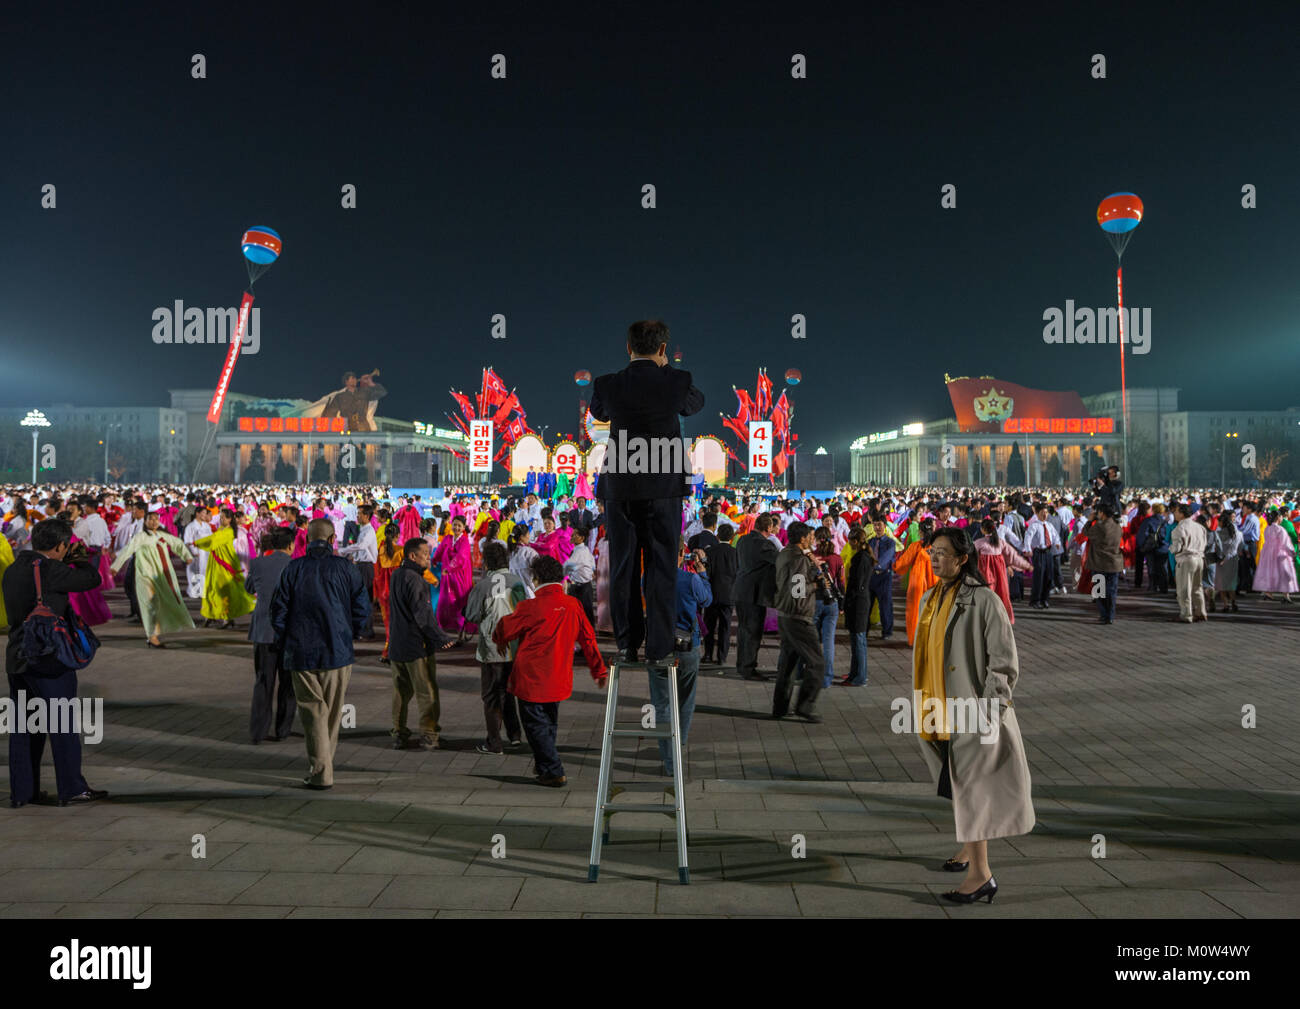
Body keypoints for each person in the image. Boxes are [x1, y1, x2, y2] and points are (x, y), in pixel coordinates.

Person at [913, 525, 1034, 904]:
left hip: (972, 712)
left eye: (943, 552)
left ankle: (981, 875)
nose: (934, 557)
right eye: (932, 551)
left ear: (963, 558)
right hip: (938, 707)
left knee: (972, 787)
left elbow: (1004, 664)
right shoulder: (931, 597)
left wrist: (990, 711)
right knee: (957, 785)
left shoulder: (984, 601)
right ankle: (970, 848)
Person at [590, 319, 705, 664]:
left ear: (628, 348)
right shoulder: (677, 380)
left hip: (621, 487)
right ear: (663, 348)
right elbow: (694, 404)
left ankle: (627, 643)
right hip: (663, 488)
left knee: (624, 565)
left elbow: (599, 411)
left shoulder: (608, 384)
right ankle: (659, 645)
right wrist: (666, 369)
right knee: (661, 565)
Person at [3, 519, 109, 808]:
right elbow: (91, 581)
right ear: (61, 545)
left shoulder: (13, 570)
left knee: (24, 728)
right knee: (62, 724)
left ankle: (23, 792)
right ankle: (72, 787)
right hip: (48, 659)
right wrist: (83, 561)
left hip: (17, 657)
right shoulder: (51, 569)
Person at [270, 518, 370, 790]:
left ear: (307, 539)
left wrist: (284, 638)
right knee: (333, 713)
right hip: (338, 650)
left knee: (312, 712)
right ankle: (323, 768)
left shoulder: (294, 568)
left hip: (301, 650)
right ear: (332, 540)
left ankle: (321, 770)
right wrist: (353, 633)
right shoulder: (345, 568)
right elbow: (362, 607)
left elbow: (278, 611)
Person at [492, 555, 608, 787]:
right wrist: (599, 670)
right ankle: (544, 766)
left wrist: (499, 638)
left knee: (535, 726)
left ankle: (553, 769)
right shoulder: (572, 605)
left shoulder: (529, 606)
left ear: (536, 579)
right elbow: (588, 639)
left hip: (530, 678)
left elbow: (504, 627)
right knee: (548, 723)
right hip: (558, 678)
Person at [388, 537, 455, 750]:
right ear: (412, 556)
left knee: (400, 692)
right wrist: (441, 638)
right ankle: (428, 735)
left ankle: (399, 733)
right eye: (425, 553)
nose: (429, 557)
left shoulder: (397, 575)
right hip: (416, 645)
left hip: (397, 644)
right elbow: (423, 616)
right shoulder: (416, 581)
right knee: (426, 692)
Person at [652, 539, 712, 776]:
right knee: (686, 699)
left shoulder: (650, 578)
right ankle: (680, 742)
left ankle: (669, 757)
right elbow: (707, 600)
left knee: (662, 703)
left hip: (658, 646)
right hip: (687, 645)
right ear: (681, 554)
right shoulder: (690, 579)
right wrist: (703, 572)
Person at [464, 541, 527, 754]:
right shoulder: (518, 583)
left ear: (487, 562)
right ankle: (515, 734)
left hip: (491, 648)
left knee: (491, 695)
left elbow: (471, 615)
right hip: (515, 647)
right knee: (508, 692)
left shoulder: (482, 585)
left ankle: (494, 742)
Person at [110, 511, 195, 648]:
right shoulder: (141, 537)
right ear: (145, 522)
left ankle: (157, 631)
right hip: (145, 575)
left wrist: (186, 556)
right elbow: (127, 549)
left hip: (161, 575)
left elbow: (178, 543)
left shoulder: (162, 536)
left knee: (163, 602)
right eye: (151, 519)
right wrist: (116, 567)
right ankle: (152, 635)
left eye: (156, 519)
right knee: (149, 603)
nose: (154, 521)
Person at [244, 526, 297, 744]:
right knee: (288, 684)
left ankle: (258, 731)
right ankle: (283, 729)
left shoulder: (256, 563)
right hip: (289, 632)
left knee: (263, 681)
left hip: (263, 631)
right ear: (291, 545)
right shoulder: (295, 566)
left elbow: (249, 588)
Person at [772, 522, 828, 722]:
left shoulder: (785, 553)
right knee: (817, 662)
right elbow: (798, 590)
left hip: (785, 614)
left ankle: (780, 707)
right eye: (810, 536)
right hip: (798, 616)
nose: (813, 539)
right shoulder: (798, 559)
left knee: (788, 664)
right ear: (802, 538)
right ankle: (805, 705)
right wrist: (815, 584)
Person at [193, 508, 257, 630]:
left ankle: (226, 618)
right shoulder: (221, 530)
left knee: (224, 592)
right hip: (214, 564)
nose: (221, 519)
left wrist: (197, 543)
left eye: (224, 517)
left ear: (230, 519)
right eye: (221, 517)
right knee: (211, 589)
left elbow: (213, 541)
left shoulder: (229, 532)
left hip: (224, 566)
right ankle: (210, 615)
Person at [732, 512, 779, 681]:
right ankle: (748, 667)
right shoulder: (765, 545)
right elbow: (780, 561)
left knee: (743, 630)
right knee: (753, 631)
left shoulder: (743, 541)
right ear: (768, 527)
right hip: (755, 593)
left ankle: (741, 664)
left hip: (740, 590)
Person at [430, 515, 476, 643]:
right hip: (448, 576)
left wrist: (449, 569)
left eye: (459, 526)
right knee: (445, 601)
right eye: (454, 524)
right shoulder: (448, 538)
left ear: (463, 528)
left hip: (460, 577)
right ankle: (443, 629)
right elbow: (439, 550)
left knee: (460, 602)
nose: (456, 527)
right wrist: (435, 559)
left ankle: (461, 631)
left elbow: (461, 558)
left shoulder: (465, 541)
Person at [338, 504, 378, 640]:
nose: (357, 516)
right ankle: (362, 628)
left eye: (360, 514)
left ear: (367, 516)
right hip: (361, 565)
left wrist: (343, 550)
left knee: (365, 598)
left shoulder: (369, 531)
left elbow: (361, 546)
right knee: (360, 598)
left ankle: (366, 630)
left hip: (366, 567)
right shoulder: (363, 530)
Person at [703, 523, 738, 666]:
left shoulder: (711, 552)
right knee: (725, 627)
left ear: (717, 536)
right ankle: (722, 657)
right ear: (731, 537)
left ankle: (707, 654)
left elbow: (707, 573)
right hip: (729, 594)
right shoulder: (735, 553)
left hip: (712, 593)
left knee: (709, 626)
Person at [812, 528, 843, 689]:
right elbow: (841, 582)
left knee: (812, 641)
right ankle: (827, 678)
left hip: (814, 601)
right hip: (832, 603)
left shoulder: (812, 557)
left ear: (816, 539)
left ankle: (812, 674)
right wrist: (842, 604)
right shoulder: (837, 558)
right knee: (828, 641)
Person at [1082, 504, 1123, 623]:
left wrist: (1090, 521)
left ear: (1102, 513)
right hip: (1114, 563)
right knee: (1112, 591)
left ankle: (1104, 615)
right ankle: (1110, 615)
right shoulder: (1117, 527)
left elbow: (1086, 533)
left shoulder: (1100, 527)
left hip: (1099, 563)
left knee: (1100, 591)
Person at [1170, 502, 1209, 622]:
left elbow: (1177, 548)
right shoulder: (1200, 527)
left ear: (1181, 514)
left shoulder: (1179, 528)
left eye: (1176, 511)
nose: (1174, 514)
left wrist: (1170, 548)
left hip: (1186, 559)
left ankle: (1186, 614)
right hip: (1199, 558)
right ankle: (1201, 612)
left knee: (1184, 589)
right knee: (1197, 587)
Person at [1254, 508, 1298, 602]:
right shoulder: (1280, 529)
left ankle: (1268, 593)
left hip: (1268, 553)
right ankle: (1286, 596)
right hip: (1280, 554)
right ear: (1278, 517)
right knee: (1284, 574)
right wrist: (1292, 553)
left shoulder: (1267, 528)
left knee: (1270, 573)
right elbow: (1286, 543)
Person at [864, 518, 897, 639]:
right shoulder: (870, 541)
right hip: (871, 577)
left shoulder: (890, 542)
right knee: (867, 605)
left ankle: (887, 631)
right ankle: (864, 630)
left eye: (879, 524)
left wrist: (876, 566)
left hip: (884, 576)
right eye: (875, 525)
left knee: (885, 605)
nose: (877, 527)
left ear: (885, 526)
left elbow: (887, 558)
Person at [1023, 503, 1060, 608]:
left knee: (1048, 577)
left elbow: (1055, 535)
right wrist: (1028, 549)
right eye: (1042, 513)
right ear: (1037, 513)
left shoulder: (1049, 525)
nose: (1045, 515)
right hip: (1038, 553)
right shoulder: (1034, 525)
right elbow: (1027, 538)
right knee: (1038, 578)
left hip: (1048, 553)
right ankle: (1035, 600)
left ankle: (1045, 599)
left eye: (1046, 512)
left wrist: (1057, 543)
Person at [563, 527, 596, 626]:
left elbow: (568, 565)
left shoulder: (579, 552)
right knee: (585, 612)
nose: (572, 536)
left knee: (584, 612)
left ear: (582, 538)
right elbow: (592, 563)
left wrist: (563, 575)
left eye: (575, 534)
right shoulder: (584, 549)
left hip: (581, 587)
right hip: (583, 585)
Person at [183, 505, 212, 600]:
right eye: (203, 513)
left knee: (204, 572)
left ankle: (203, 590)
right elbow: (187, 541)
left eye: (205, 513)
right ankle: (194, 591)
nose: (204, 515)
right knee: (194, 572)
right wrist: (194, 551)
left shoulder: (207, 526)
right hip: (196, 553)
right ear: (197, 513)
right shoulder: (190, 526)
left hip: (206, 553)